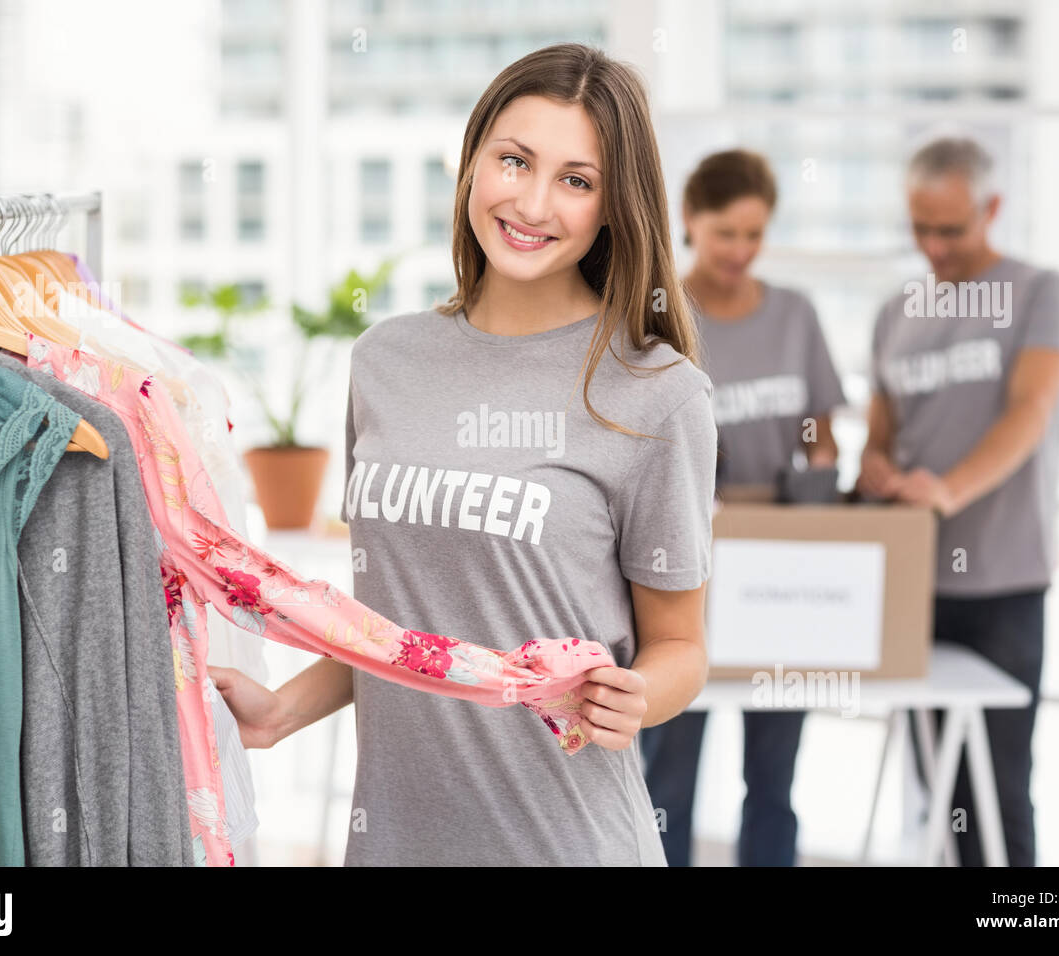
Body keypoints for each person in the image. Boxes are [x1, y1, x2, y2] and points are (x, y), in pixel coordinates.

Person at [210, 42, 718, 865]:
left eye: (577, 180)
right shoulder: (384, 360)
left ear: (612, 206)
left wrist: (638, 698)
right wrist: (281, 712)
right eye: (513, 160)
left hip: (569, 842)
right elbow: (407, 618)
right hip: (394, 842)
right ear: (473, 161)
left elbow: (683, 647)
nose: (534, 201)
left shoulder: (657, 393)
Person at [856, 135, 1059, 866]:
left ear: (993, 209)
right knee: (938, 786)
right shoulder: (896, 311)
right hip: (916, 583)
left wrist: (947, 491)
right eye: (920, 227)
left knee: (1001, 788)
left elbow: (1031, 414)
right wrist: (879, 466)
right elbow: (881, 429)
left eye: (950, 229)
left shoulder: (1042, 291)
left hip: (1003, 583)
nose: (933, 246)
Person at [639, 149, 846, 867]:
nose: (740, 251)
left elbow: (818, 424)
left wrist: (818, 463)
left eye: (754, 235)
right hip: (677, 575)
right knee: (668, 770)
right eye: (725, 233)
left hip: (775, 579)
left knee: (774, 773)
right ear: (690, 221)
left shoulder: (794, 315)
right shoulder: (657, 314)